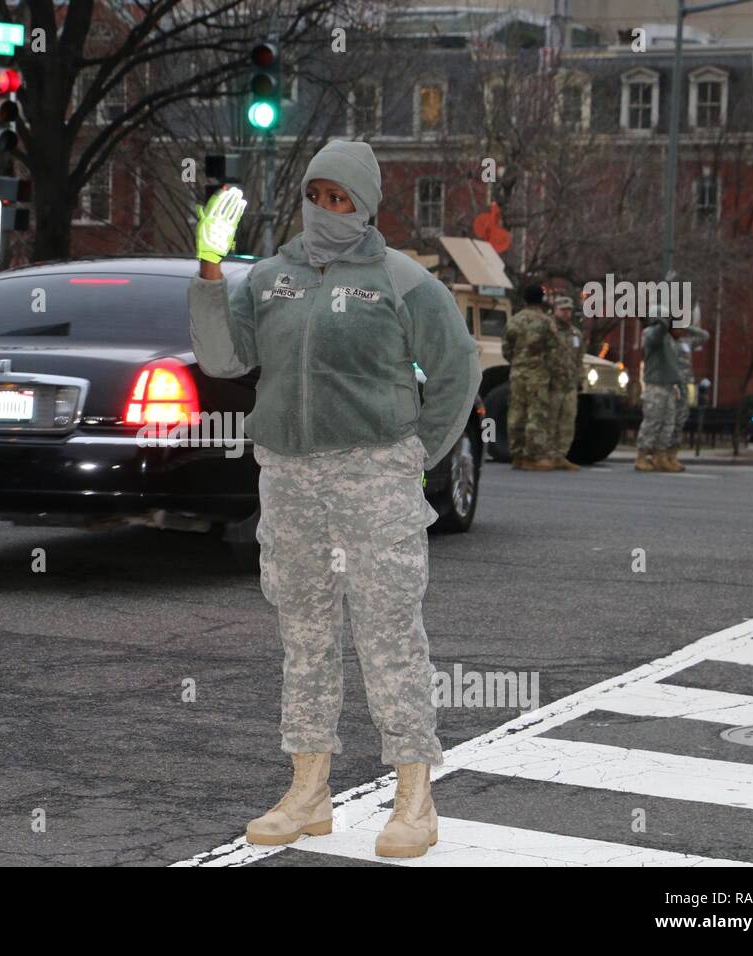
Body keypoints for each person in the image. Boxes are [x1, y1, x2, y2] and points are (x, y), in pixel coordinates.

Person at [188, 139, 480, 859]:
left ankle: (415, 797)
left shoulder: (402, 280)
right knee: (305, 637)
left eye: (340, 198)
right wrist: (209, 267)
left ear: (366, 206)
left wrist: (418, 454)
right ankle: (307, 791)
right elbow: (224, 359)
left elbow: (457, 368)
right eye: (315, 196)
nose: (325, 210)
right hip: (288, 478)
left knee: (388, 636)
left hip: (372, 477)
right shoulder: (270, 278)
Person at [502, 285, 556, 471]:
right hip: (538, 374)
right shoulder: (546, 322)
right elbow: (553, 350)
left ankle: (517, 454)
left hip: (517, 373)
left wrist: (518, 361)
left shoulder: (514, 321)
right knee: (536, 413)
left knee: (516, 413)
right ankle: (533, 456)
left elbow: (506, 349)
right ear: (541, 300)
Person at [637, 315, 683, 472]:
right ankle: (642, 456)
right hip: (655, 386)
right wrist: (665, 321)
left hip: (669, 387)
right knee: (652, 423)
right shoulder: (650, 334)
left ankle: (660, 456)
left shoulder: (669, 338)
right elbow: (657, 334)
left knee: (668, 424)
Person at [667, 320, 711, 471]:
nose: (679, 331)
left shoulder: (686, 342)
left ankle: (673, 455)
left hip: (685, 386)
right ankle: (662, 454)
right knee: (668, 421)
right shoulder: (667, 343)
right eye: (676, 328)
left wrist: (687, 326)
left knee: (680, 420)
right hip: (671, 385)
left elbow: (705, 336)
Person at [547, 295, 583, 472]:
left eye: (569, 310)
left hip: (569, 385)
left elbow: (579, 358)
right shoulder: (549, 330)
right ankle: (547, 454)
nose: (567, 313)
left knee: (567, 421)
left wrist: (579, 378)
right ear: (555, 311)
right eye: (563, 310)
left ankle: (560, 455)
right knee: (550, 420)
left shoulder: (576, 334)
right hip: (553, 384)